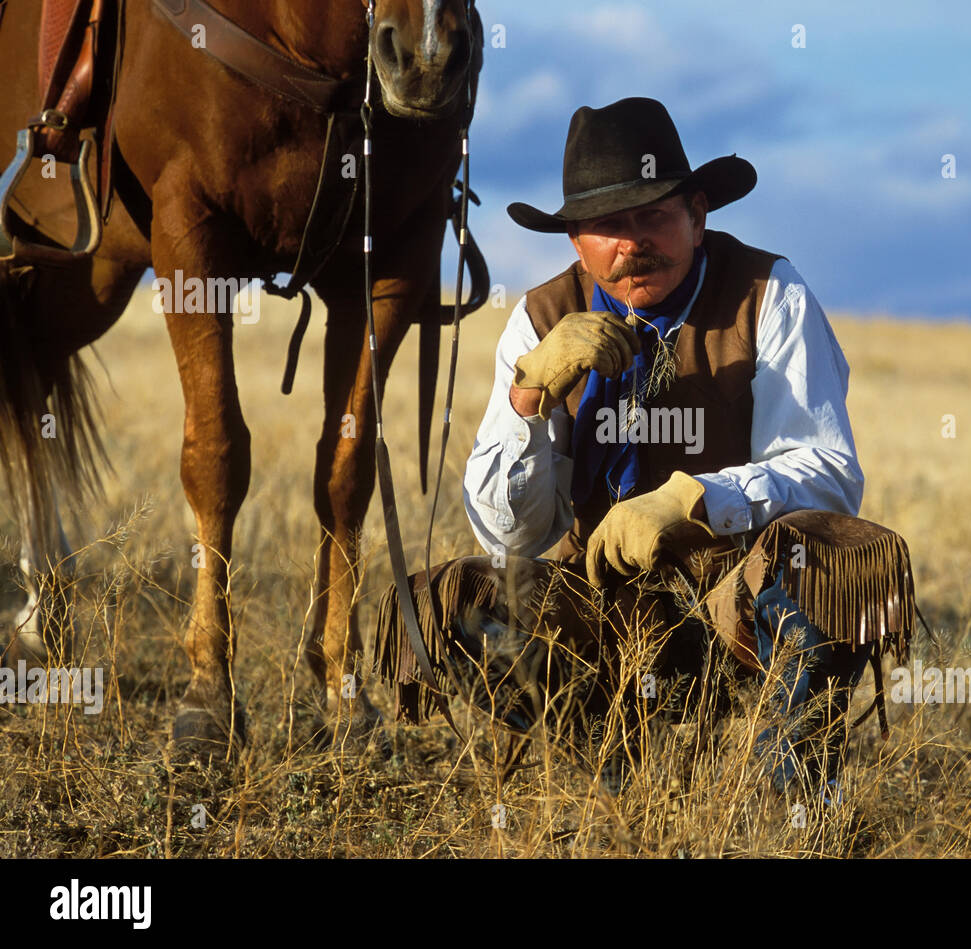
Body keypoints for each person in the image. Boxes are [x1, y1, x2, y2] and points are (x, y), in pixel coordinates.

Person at [375, 97, 915, 799]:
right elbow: (513, 532)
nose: (633, 243)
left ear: (696, 214)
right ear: (575, 240)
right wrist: (529, 396)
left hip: (735, 609)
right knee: (437, 605)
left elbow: (828, 476)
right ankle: (621, 773)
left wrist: (694, 500)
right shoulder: (539, 319)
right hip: (593, 617)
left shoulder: (768, 293)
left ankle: (793, 798)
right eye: (607, 226)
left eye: (653, 215)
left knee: (833, 554)